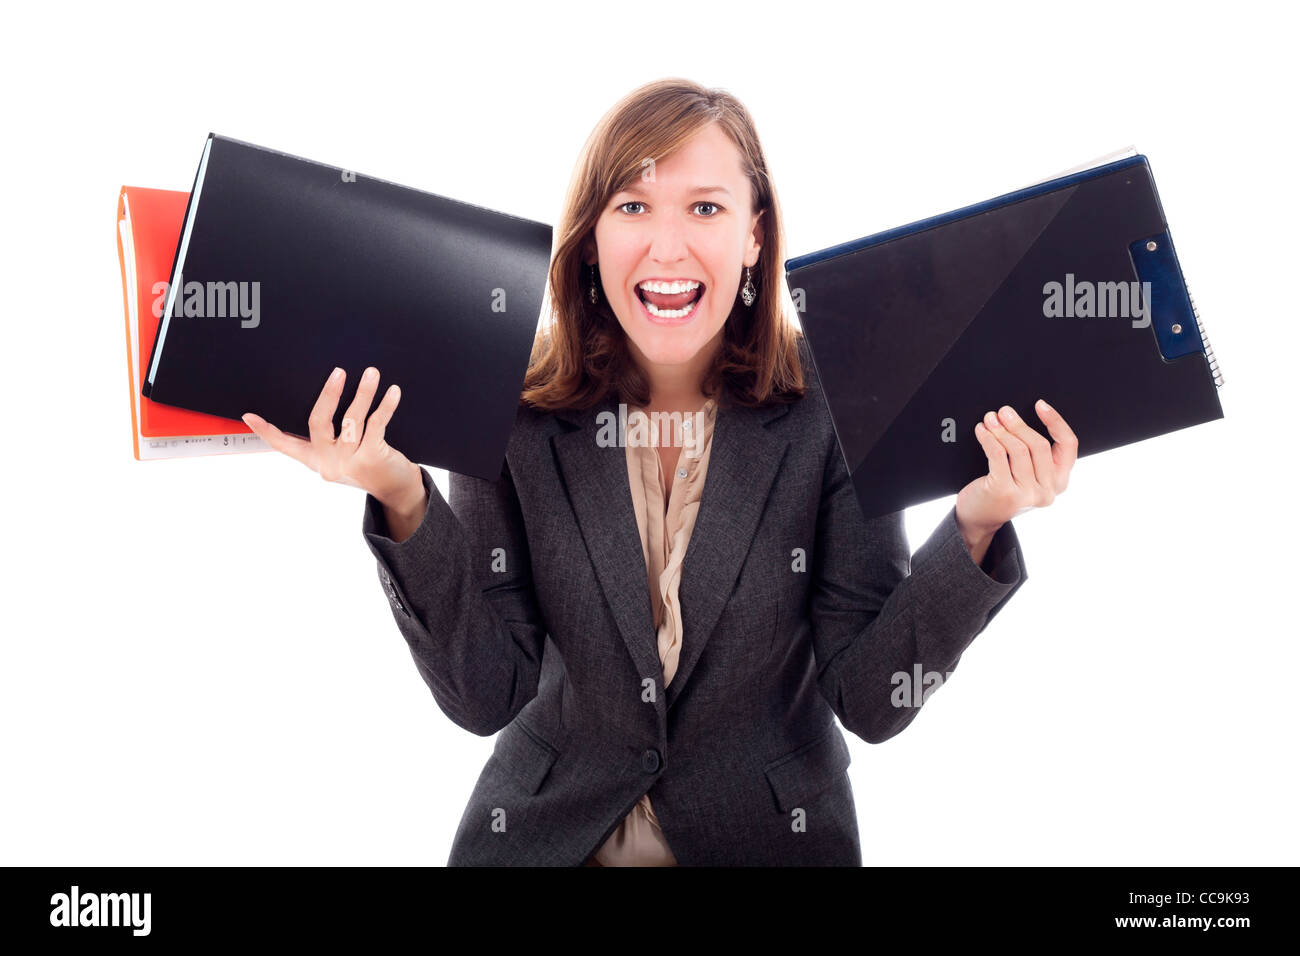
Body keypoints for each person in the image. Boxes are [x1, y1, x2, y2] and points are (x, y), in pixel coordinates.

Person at [241, 78, 1076, 866]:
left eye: (706, 207)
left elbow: (872, 698)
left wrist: (977, 524)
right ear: (592, 235)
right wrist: (400, 492)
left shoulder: (829, 401)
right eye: (632, 206)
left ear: (754, 233)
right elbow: (485, 695)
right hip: (545, 839)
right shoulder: (517, 404)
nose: (667, 245)